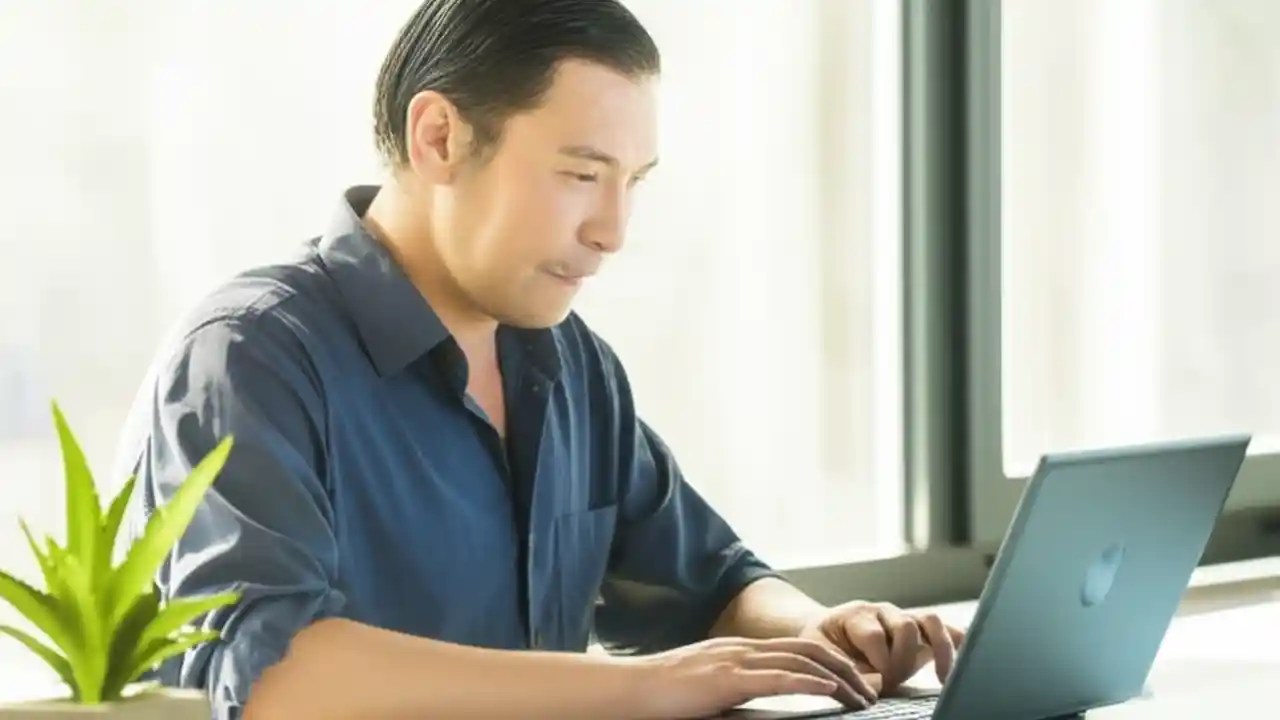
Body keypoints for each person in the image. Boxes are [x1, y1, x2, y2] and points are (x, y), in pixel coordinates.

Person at [116, 1, 965, 718]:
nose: (613, 231)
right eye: (581, 174)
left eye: (634, 182)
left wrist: (822, 632)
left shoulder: (568, 364)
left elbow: (707, 582)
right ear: (439, 137)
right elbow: (269, 674)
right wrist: (643, 687)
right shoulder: (249, 356)